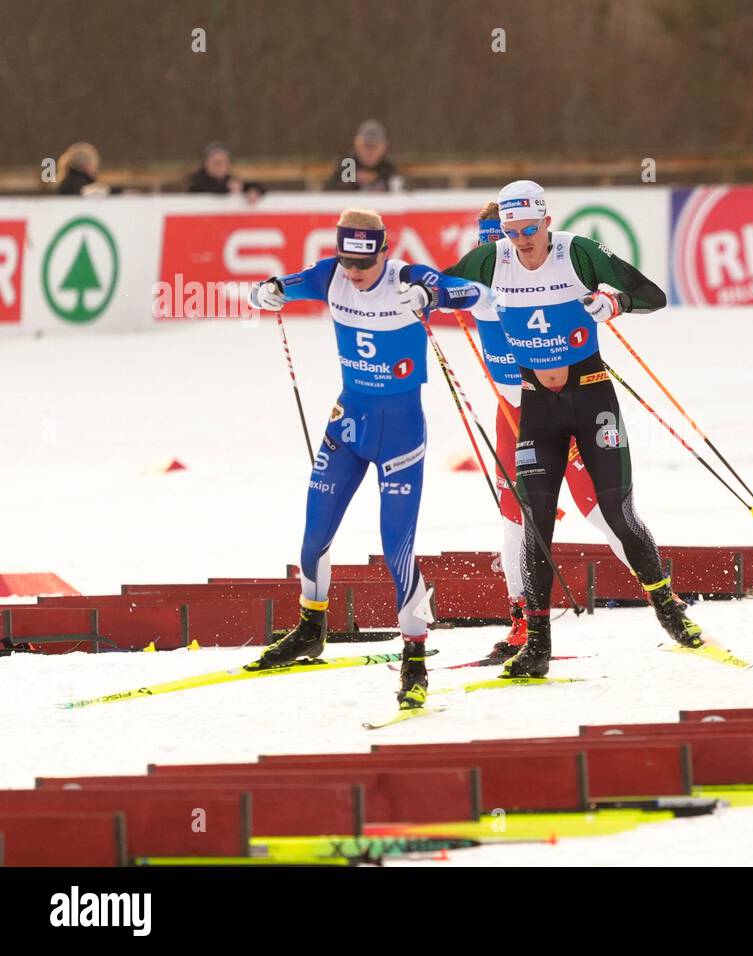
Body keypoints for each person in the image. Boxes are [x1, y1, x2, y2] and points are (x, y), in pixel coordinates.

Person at [441, 180, 703, 677]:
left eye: (524, 229)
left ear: (546, 221)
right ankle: (532, 636)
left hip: (589, 395)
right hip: (529, 409)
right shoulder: (486, 271)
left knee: (613, 513)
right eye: (502, 234)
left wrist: (615, 303)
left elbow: (652, 294)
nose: (515, 242)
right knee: (530, 523)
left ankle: (668, 607)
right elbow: (432, 286)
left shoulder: (573, 253)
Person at [243, 208, 494, 708]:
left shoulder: (406, 278)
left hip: (400, 436)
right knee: (315, 533)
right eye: (347, 262)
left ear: (383, 251)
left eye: (364, 263)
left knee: (395, 549)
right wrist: (265, 291)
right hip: (348, 425)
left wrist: (433, 295)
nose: (355, 274)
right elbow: (274, 287)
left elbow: (478, 295)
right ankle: (311, 628)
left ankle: (415, 658)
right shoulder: (329, 276)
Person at [325, 119, 399, 192]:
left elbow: (399, 190)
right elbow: (330, 192)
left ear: (383, 148)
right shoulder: (347, 164)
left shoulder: (388, 168)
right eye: (366, 146)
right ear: (357, 146)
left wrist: (376, 178)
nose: (369, 152)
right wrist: (354, 180)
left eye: (374, 147)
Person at [185, 142, 265, 199]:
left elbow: (258, 187)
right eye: (216, 162)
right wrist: (230, 189)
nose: (220, 166)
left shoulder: (229, 180)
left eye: (224, 162)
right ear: (206, 163)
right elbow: (212, 191)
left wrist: (252, 190)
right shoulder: (196, 182)